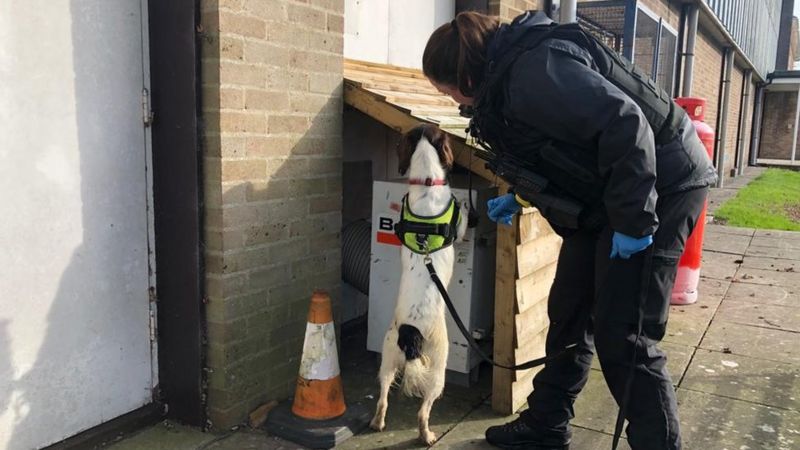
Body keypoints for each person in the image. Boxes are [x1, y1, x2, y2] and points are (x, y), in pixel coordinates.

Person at [422, 9, 717, 450]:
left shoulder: (534, 74)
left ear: (465, 75)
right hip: (609, 193)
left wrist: (635, 223)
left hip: (662, 183)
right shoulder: (507, 80)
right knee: (569, 311)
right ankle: (547, 425)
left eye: (446, 91)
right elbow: (564, 154)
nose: (451, 102)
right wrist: (523, 195)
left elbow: (626, 125)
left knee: (624, 334)